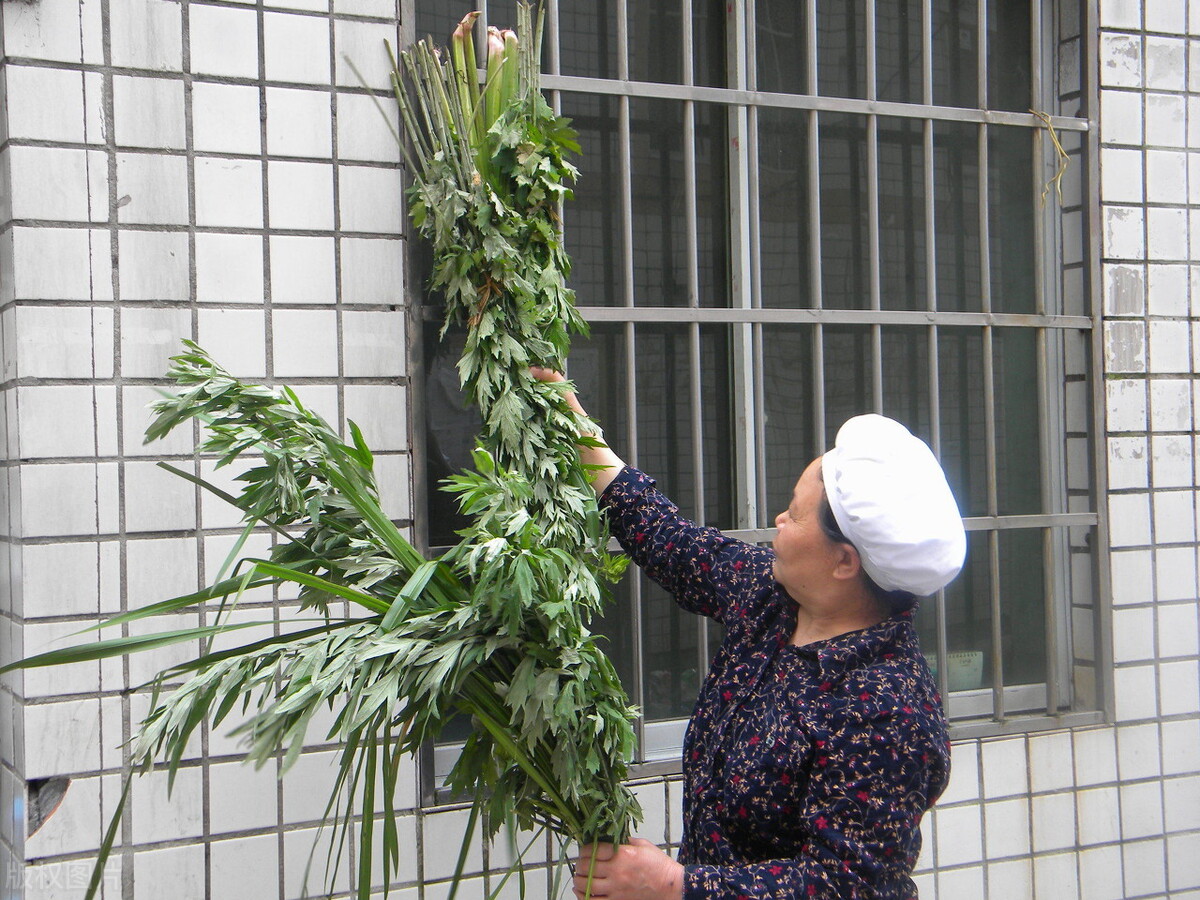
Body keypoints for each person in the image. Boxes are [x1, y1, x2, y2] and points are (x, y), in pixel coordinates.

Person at [530, 368, 966, 900]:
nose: (780, 518)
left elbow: (843, 885)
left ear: (845, 561)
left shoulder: (888, 709)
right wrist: (579, 433)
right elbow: (677, 545)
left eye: (797, 514)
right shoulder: (777, 602)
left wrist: (673, 885)